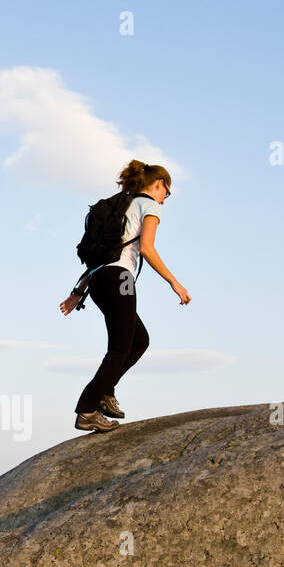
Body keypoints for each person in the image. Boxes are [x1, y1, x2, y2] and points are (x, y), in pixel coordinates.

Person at [62, 160, 190, 432]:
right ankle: (87, 409)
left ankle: (105, 392)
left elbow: (103, 257)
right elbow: (146, 249)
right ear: (158, 185)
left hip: (98, 281)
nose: (165, 201)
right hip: (120, 280)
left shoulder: (121, 204)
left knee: (139, 340)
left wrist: (78, 292)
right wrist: (174, 282)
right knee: (120, 348)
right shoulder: (149, 206)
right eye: (166, 193)